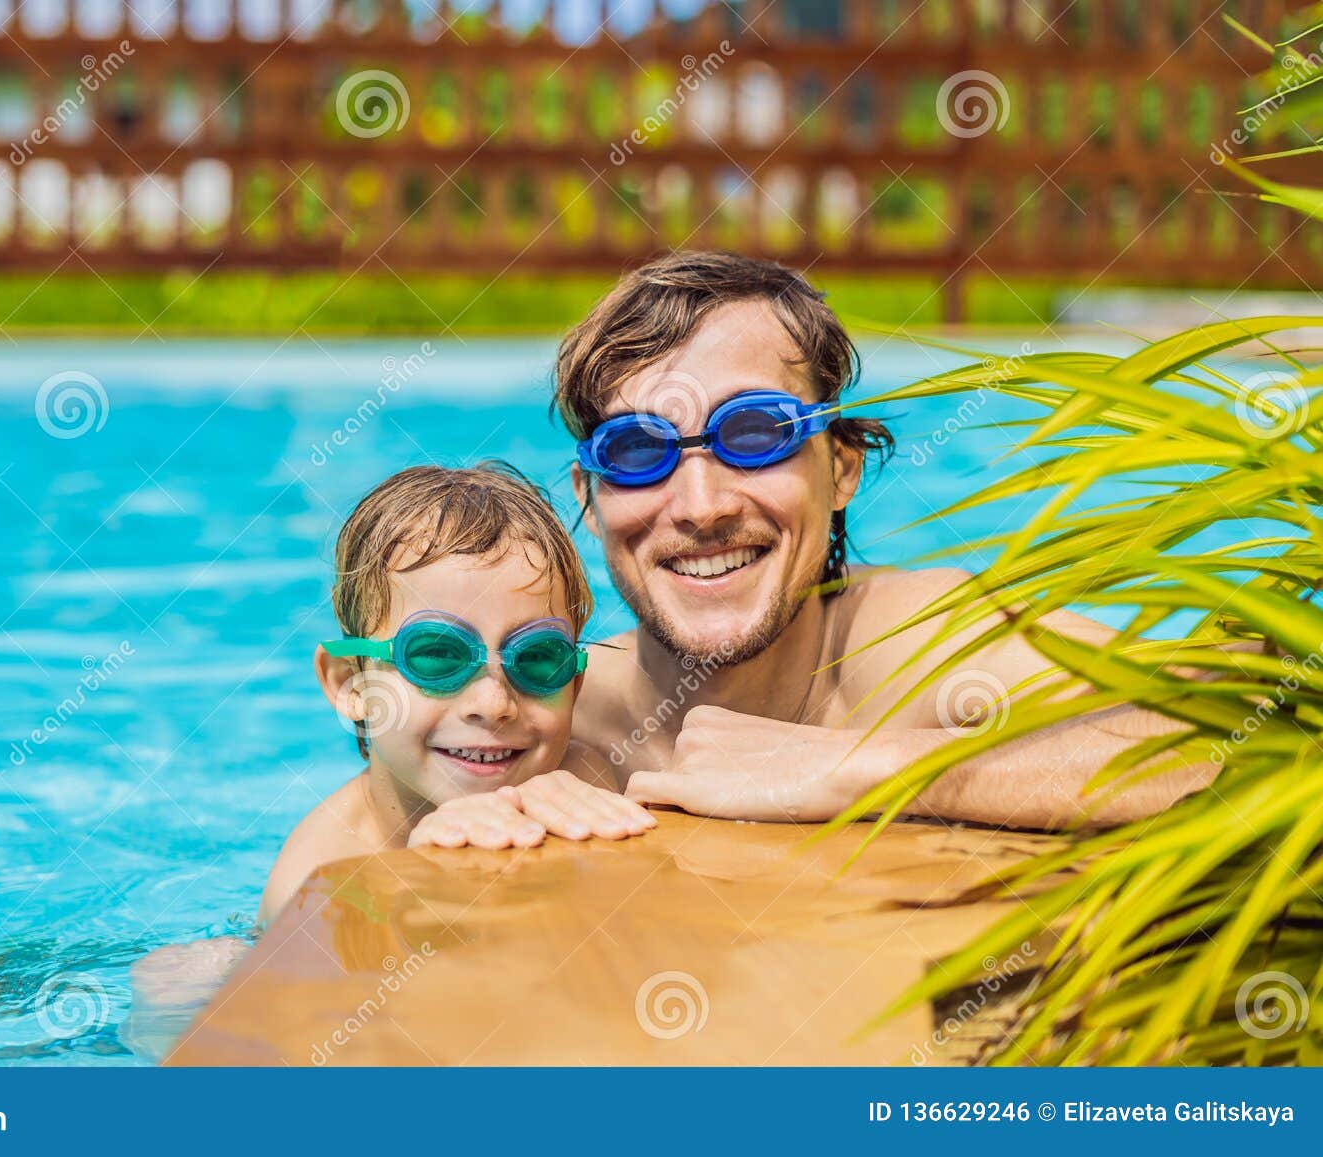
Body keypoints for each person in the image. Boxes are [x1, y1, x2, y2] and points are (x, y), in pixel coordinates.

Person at [557, 251, 1214, 830]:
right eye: (638, 449)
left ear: (842, 469)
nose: (702, 507)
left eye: (756, 433)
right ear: (589, 498)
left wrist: (860, 765)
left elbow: (1239, 731)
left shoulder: (915, 646)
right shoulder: (551, 707)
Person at [126, 463, 651, 1058]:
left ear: (575, 688)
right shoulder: (324, 872)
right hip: (276, 975)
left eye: (537, 660)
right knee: (177, 988)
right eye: (437, 656)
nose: (493, 703)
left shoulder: (577, 774)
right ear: (352, 683)